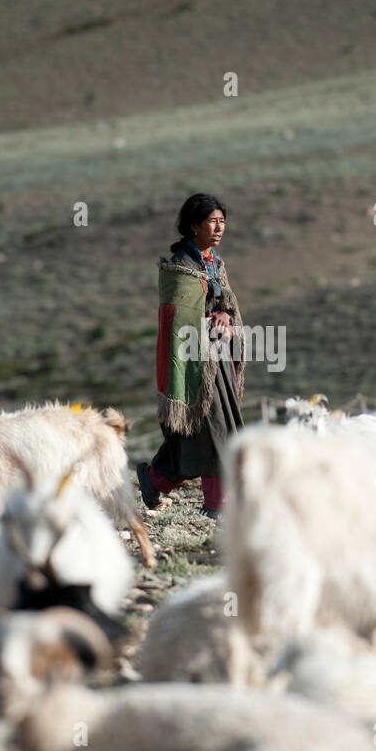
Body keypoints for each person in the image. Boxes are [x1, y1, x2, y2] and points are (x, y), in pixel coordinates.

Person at [137, 193, 244, 518]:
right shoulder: (180, 268)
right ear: (193, 225)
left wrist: (225, 316)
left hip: (218, 358)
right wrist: (211, 321)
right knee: (214, 426)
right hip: (193, 359)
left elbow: (224, 303)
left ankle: (156, 479)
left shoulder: (215, 264)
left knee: (206, 428)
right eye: (212, 220)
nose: (218, 227)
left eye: (222, 221)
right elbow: (179, 319)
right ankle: (216, 505)